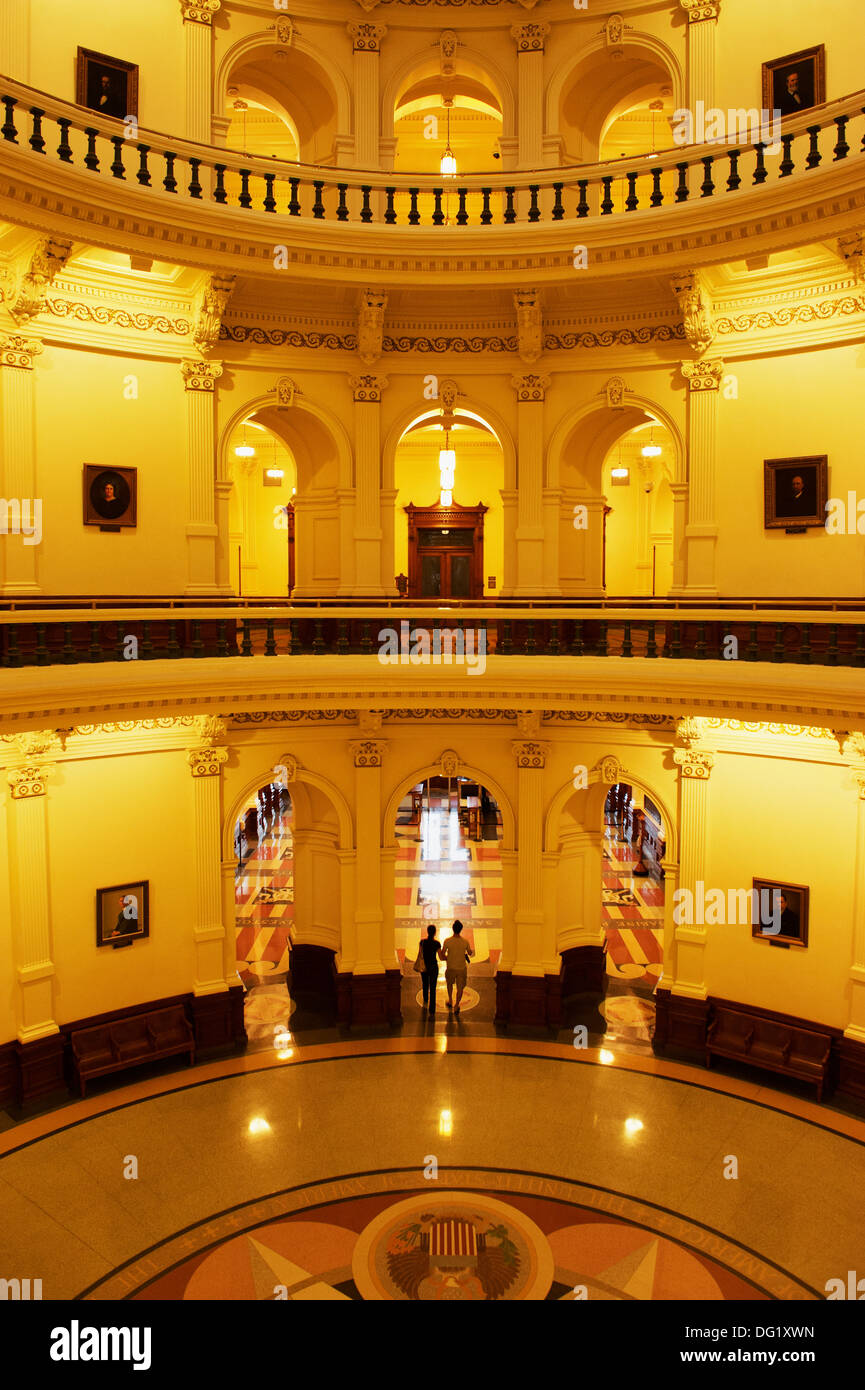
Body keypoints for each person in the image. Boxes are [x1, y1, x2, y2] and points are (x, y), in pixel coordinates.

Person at [440, 919, 473, 1016]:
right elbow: (470, 952)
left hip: (450, 967)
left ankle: (450, 1000)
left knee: (449, 984)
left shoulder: (447, 941)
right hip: (461, 968)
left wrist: (449, 958)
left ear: (453, 929)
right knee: (460, 988)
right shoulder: (465, 942)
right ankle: (456, 1005)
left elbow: (442, 954)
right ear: (461, 929)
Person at [419, 924, 442, 1015]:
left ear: (427, 932)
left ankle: (425, 999)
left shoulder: (422, 942)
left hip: (424, 966)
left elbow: (420, 954)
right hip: (433, 967)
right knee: (433, 987)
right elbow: (440, 957)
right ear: (435, 933)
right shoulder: (437, 944)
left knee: (425, 984)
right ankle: (432, 1008)